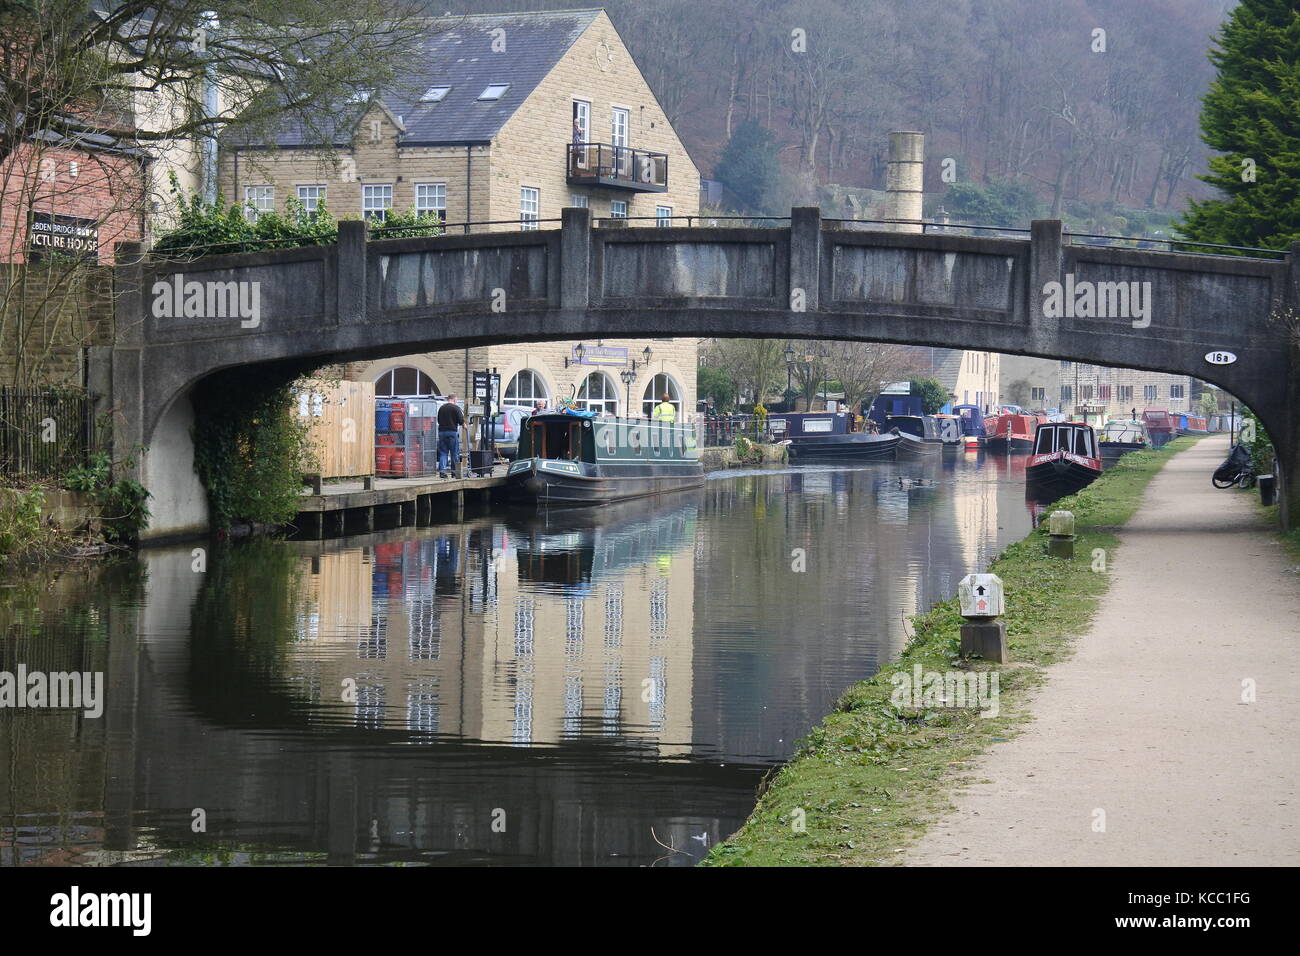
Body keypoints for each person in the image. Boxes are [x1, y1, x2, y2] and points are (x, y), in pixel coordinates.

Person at [437, 395, 465, 478]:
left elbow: (439, 420)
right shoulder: (455, 408)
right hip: (452, 432)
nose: (456, 401)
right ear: (453, 399)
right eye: (456, 399)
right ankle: (454, 472)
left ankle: (442, 471)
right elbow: (460, 420)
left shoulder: (441, 408)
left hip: (442, 433)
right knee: (454, 453)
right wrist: (464, 425)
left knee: (443, 453)